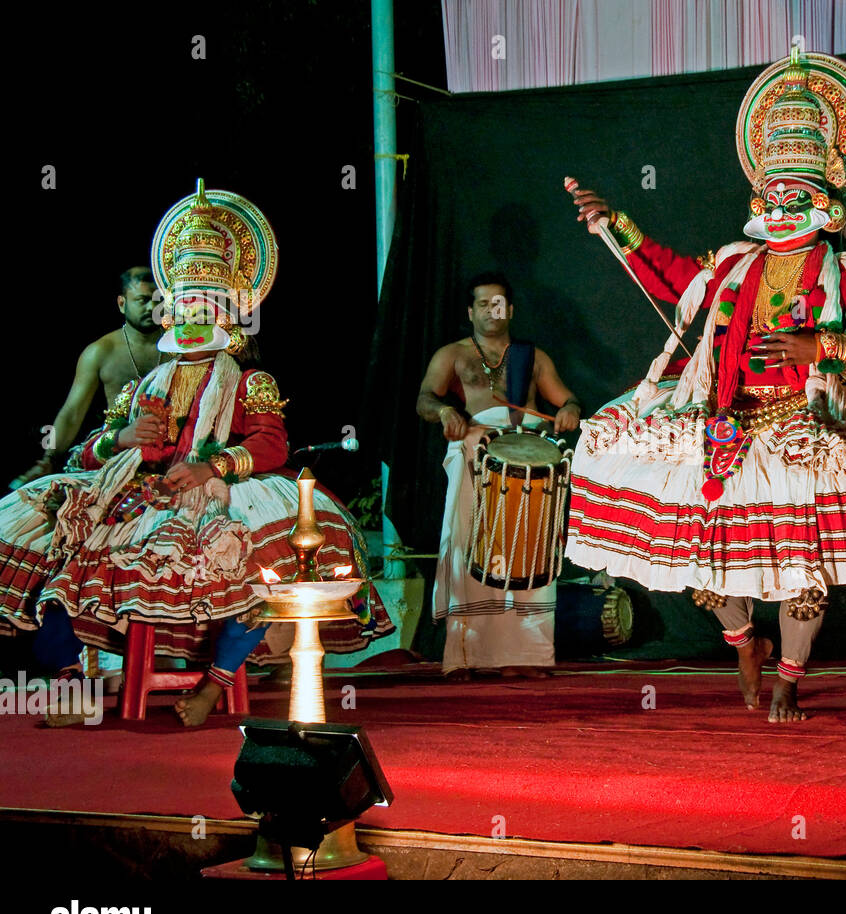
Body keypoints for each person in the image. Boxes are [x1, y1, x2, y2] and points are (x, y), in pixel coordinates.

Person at [567, 50, 846, 723]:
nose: (782, 206)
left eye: (797, 196)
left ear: (825, 201)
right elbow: (674, 280)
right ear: (759, 199)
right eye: (774, 196)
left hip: (809, 427)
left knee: (800, 571)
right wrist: (614, 225)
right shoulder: (736, 263)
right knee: (701, 566)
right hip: (726, 422)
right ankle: (745, 641)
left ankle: (790, 675)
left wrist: (816, 345)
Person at [0, 181, 391, 726]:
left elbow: (271, 444)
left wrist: (212, 465)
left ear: (228, 314)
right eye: (182, 304)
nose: (189, 315)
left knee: (260, 575)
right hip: (139, 498)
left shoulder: (250, 379)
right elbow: (86, 454)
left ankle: (213, 685)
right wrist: (119, 439)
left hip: (220, 496)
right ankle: (70, 685)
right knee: (60, 559)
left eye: (203, 306)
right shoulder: (145, 387)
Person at [418, 271, 582, 679]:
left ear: (511, 310)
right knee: (468, 545)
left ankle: (525, 655)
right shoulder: (452, 354)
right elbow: (425, 397)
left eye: (500, 303)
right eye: (484, 303)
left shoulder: (534, 356)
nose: (493, 310)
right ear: (470, 311)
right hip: (476, 455)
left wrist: (569, 410)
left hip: (529, 462)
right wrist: (444, 412)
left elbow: (568, 399)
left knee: (529, 547)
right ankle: (465, 655)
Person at [9, 267, 167, 490]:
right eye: (142, 300)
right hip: (115, 452)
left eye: (157, 300)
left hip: (171, 451)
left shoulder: (180, 346)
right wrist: (49, 458)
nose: (152, 307)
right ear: (122, 304)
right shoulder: (101, 352)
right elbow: (71, 413)